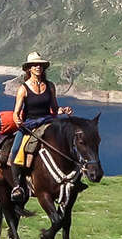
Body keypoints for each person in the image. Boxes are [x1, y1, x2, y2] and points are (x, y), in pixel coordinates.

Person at [8, 51, 73, 204]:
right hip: (30, 124)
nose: (38, 67)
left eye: (40, 65)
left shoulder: (50, 86)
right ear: (28, 68)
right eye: (34, 65)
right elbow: (16, 112)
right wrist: (18, 121)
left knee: (68, 142)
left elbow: (55, 108)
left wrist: (63, 110)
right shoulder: (23, 89)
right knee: (15, 150)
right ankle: (17, 186)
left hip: (48, 122)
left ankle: (73, 177)